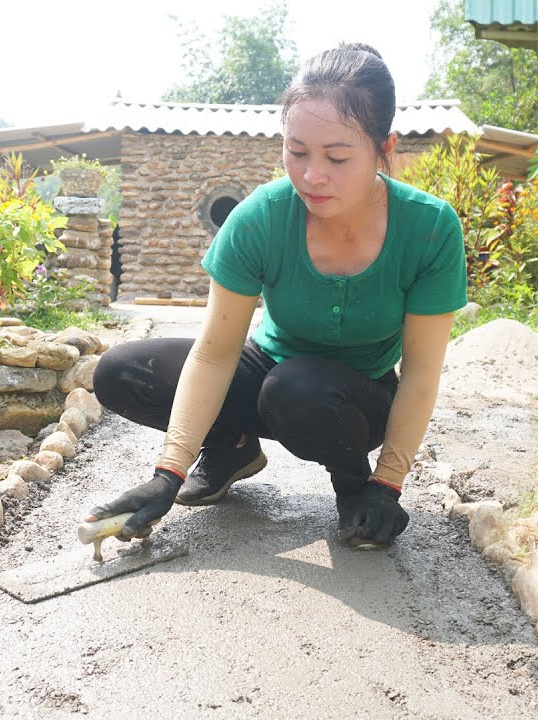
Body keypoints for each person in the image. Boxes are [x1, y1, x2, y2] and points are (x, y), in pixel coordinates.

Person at [84, 43, 466, 548]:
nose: (312, 175)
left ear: (385, 147)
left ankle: (353, 487)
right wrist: (167, 473)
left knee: (296, 388)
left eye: (337, 157)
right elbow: (216, 354)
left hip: (356, 401)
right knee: (122, 372)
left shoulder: (429, 228)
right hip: (268, 370)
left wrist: (386, 484)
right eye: (297, 151)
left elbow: (420, 374)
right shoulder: (261, 217)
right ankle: (232, 447)